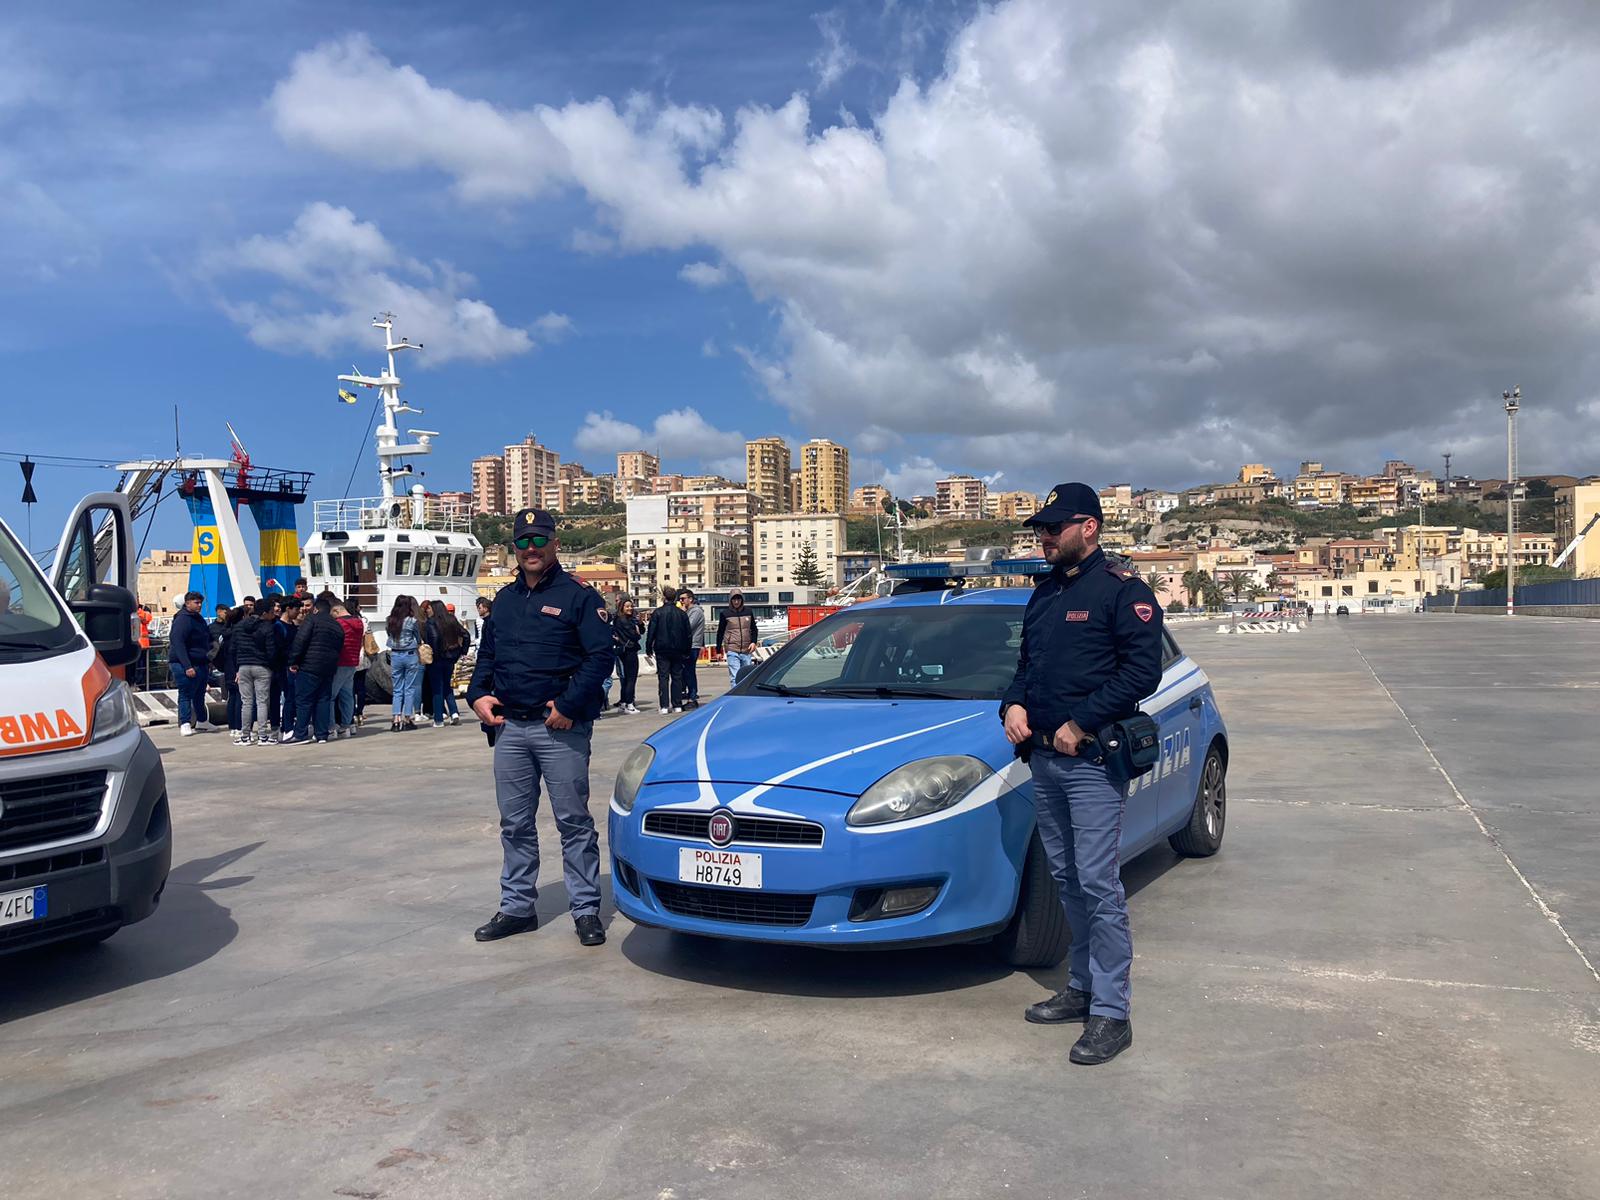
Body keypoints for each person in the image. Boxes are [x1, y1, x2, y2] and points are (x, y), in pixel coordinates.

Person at [1001, 482, 1163, 1067]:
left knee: (1098, 884)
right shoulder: (1044, 595)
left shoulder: (1123, 593)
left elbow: (1143, 673)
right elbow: (1026, 668)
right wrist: (1012, 706)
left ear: (1088, 527)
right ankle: (1083, 986)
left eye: (1053, 528)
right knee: (1067, 879)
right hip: (1042, 759)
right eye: (1039, 529)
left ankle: (1112, 1013)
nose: (1043, 537)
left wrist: (1081, 721)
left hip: (1091, 761)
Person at [467, 508, 613, 947]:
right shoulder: (506, 600)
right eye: (523, 542)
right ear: (515, 548)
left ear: (554, 545)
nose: (531, 549)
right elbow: (487, 655)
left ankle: (585, 909)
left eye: (538, 540)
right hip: (510, 728)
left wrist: (569, 704)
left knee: (573, 822)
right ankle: (516, 908)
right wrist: (477, 694)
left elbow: (600, 657)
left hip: (560, 730)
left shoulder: (579, 598)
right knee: (514, 824)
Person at [286, 595, 345, 744]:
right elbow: (339, 648)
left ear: (316, 609)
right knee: (323, 700)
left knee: (304, 700)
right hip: (328, 668)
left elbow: (301, 640)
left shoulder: (312, 620)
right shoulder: (337, 625)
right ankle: (321, 734)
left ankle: (300, 734)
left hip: (309, 666)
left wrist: (294, 661)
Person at [169, 591, 214, 736]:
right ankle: (185, 723)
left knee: (199, 694)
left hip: (200, 662)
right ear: (187, 603)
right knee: (185, 694)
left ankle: (202, 721)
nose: (199, 605)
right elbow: (178, 643)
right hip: (185, 664)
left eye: (200, 602)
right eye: (196, 602)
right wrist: (187, 666)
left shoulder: (198, 619)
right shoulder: (182, 620)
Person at [232, 599, 276, 746]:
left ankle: (245, 736)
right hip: (262, 666)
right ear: (264, 613)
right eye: (271, 612)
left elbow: (233, 649)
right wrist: (271, 665)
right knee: (262, 702)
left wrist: (236, 668)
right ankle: (262, 736)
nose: (273, 615)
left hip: (243, 666)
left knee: (246, 702)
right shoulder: (267, 627)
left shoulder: (239, 626)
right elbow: (271, 650)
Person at [645, 586, 691, 714]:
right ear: (675, 598)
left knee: (663, 677)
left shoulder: (657, 613)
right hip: (678, 649)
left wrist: (648, 647)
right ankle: (677, 705)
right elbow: (688, 634)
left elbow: (651, 632)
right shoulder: (682, 614)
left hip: (662, 649)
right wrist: (687, 650)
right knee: (677, 677)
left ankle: (664, 706)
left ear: (664, 597)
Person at [385, 595, 423, 731]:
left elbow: (388, 634)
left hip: (395, 654)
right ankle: (407, 719)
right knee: (409, 688)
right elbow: (418, 638)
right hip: (410, 654)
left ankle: (396, 719)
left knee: (397, 689)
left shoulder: (390, 620)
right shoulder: (412, 621)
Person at [331, 598, 365, 739]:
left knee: (330, 696)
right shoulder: (359, 622)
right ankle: (346, 726)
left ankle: (331, 727)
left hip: (340, 662)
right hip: (353, 662)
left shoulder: (339, 624)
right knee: (347, 696)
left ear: (336, 611)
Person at [431, 604, 467, 726]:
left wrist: (435, 654)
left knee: (437, 689)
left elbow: (434, 639)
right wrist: (463, 651)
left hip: (438, 659)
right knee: (447, 686)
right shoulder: (452, 620)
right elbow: (465, 634)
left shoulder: (432, 622)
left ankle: (439, 719)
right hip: (451, 657)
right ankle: (454, 712)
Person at [716, 590, 759, 686]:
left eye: (738, 599)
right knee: (735, 677)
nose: (736, 602)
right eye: (734, 599)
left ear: (742, 600)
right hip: (732, 649)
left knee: (747, 677)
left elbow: (754, 629)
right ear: (730, 600)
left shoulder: (748, 612)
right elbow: (720, 632)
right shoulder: (725, 613)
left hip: (746, 649)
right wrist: (718, 650)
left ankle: (745, 697)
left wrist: (753, 642)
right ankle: (735, 697)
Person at [612, 597, 643, 714]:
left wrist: (639, 624)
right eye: (627, 606)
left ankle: (624, 702)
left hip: (624, 650)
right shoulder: (623, 620)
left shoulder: (628, 619)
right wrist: (637, 632)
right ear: (622, 607)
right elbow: (634, 635)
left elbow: (641, 630)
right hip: (628, 650)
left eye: (631, 606)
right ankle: (629, 704)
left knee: (626, 678)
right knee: (631, 678)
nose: (630, 608)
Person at [681, 587, 705, 707]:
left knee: (689, 671)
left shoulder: (696, 611)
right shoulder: (688, 611)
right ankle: (690, 694)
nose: (681, 601)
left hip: (692, 645)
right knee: (687, 672)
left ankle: (692, 697)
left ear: (690, 599)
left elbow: (688, 626)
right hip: (688, 645)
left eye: (683, 599)